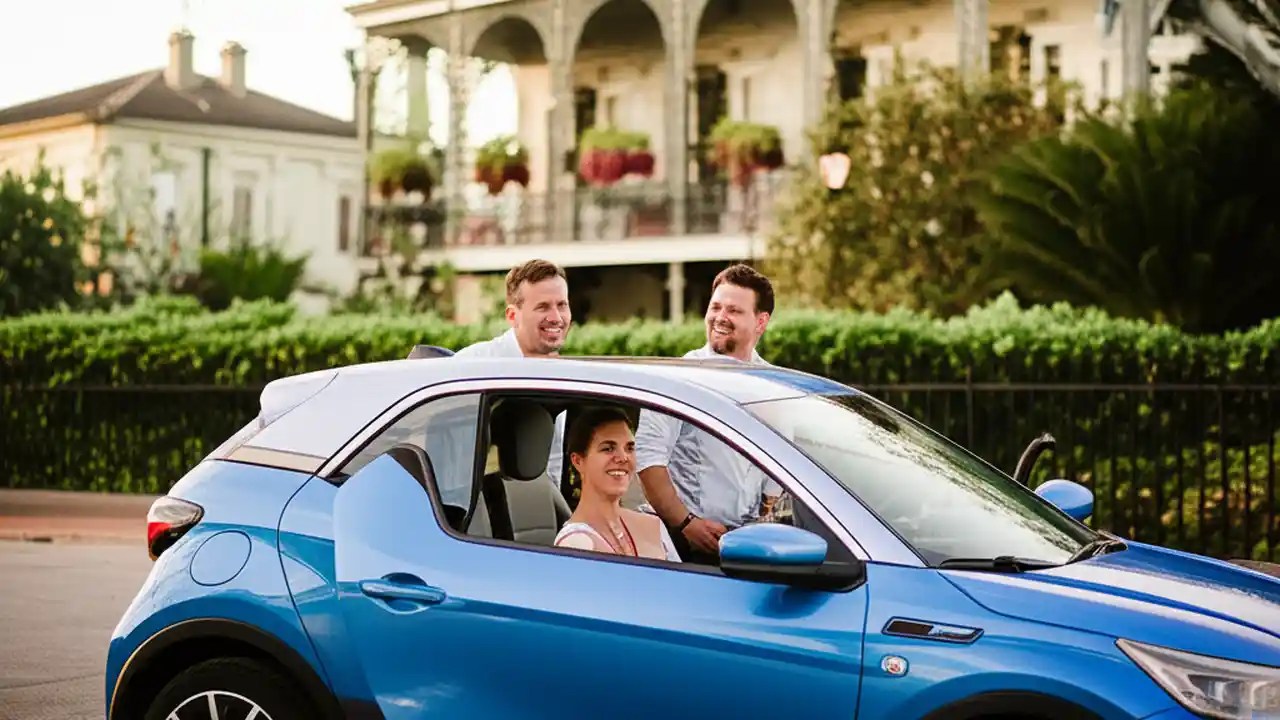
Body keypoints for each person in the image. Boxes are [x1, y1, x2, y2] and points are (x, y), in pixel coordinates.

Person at [634, 263, 782, 564]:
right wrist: (687, 525)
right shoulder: (678, 378)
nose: (720, 317)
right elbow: (649, 458)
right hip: (682, 546)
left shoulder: (772, 385)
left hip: (746, 546)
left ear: (761, 322)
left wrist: (763, 521)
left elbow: (777, 469)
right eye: (716, 307)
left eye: (734, 311)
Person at [455, 259, 571, 483]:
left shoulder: (562, 375)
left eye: (562, 305)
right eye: (543, 307)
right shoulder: (471, 367)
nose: (556, 317)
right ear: (512, 316)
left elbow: (553, 467)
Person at [554, 407, 682, 562]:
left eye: (629, 448)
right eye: (608, 448)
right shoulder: (575, 544)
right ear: (578, 461)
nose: (623, 458)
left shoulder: (653, 525)